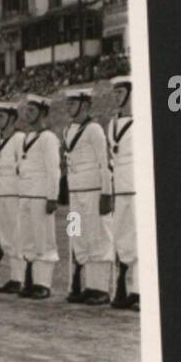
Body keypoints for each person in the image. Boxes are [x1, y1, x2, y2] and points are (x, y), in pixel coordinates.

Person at [62, 87, 114, 305]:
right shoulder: (67, 130)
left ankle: (99, 288)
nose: (69, 107)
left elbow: (104, 162)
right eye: (68, 103)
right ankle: (82, 284)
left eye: (73, 103)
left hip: (93, 191)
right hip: (75, 193)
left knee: (97, 237)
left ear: (84, 105)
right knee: (77, 235)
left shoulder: (94, 130)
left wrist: (106, 193)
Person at [15, 93, 61, 299]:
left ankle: (43, 283)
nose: (27, 113)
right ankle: (31, 280)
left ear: (43, 113)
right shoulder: (27, 137)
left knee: (44, 240)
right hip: (26, 194)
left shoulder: (48, 138)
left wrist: (52, 196)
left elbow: (53, 169)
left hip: (41, 195)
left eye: (32, 110)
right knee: (28, 239)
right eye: (26, 109)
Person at [107, 75, 140, 310]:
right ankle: (124, 288)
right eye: (115, 93)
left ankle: (139, 291)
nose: (116, 97)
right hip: (118, 189)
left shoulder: (143, 119)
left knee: (140, 239)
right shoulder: (112, 124)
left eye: (120, 93)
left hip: (137, 189)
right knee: (122, 239)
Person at [0, 102, 26, 293]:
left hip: (15, 194)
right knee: (3, 238)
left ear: (12, 118)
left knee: (16, 236)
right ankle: (9, 277)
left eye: (2, 116)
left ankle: (18, 278)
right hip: (0, 194)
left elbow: (23, 169)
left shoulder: (19, 139)